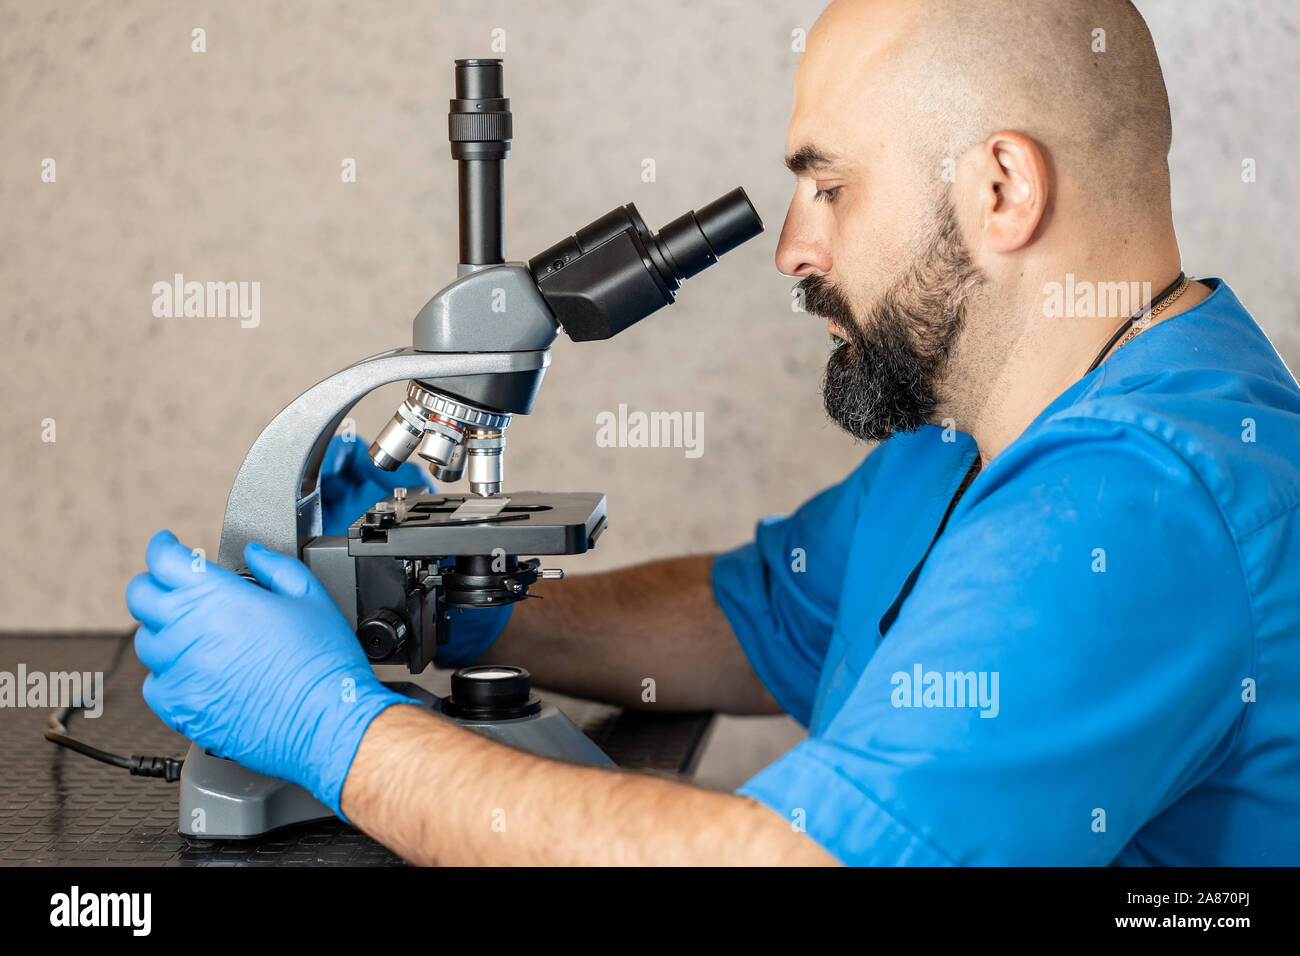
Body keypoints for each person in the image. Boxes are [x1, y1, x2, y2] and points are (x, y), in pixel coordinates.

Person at [125, 0, 1300, 865]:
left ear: (1001, 189)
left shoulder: (1135, 508)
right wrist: (456, 600)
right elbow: (762, 615)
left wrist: (334, 728)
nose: (793, 247)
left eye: (829, 186)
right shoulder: (967, 440)